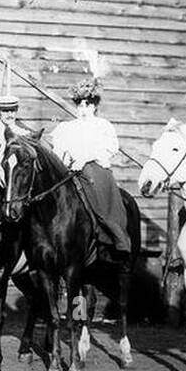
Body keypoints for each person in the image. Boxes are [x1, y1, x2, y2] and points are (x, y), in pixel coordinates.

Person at [48, 77, 131, 260]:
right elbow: (59, 150)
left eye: (88, 105)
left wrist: (85, 159)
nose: (83, 109)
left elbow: (108, 148)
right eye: (80, 105)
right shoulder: (67, 127)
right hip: (71, 170)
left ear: (94, 106)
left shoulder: (102, 125)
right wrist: (65, 162)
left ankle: (114, 235)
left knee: (94, 185)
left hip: (94, 168)